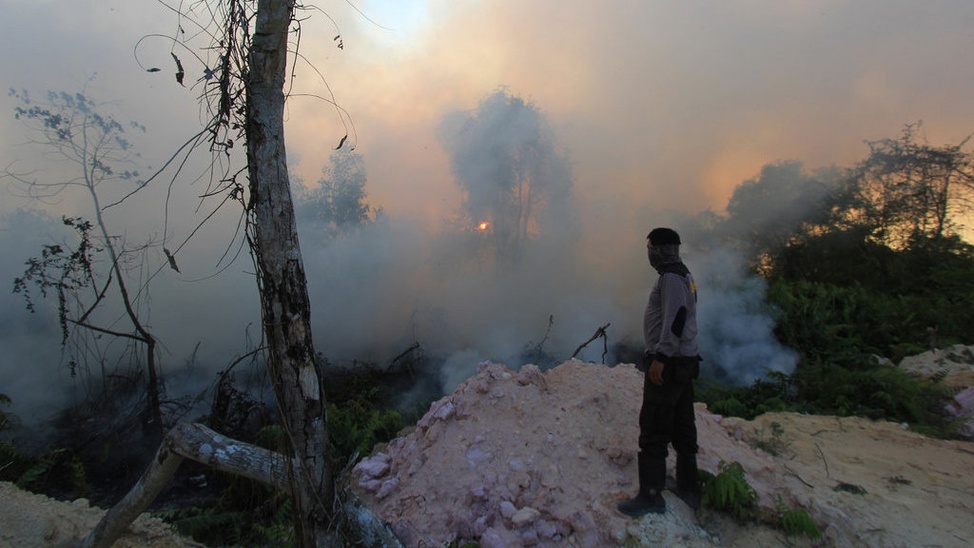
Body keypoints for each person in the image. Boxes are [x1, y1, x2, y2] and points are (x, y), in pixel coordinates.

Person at [618, 227, 702, 517]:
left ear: (659, 249)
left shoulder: (670, 278)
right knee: (683, 425)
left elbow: (676, 317)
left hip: (670, 363)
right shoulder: (684, 275)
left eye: (650, 248)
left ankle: (651, 497)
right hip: (684, 362)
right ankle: (689, 490)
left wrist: (661, 357)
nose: (649, 254)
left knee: (653, 427)